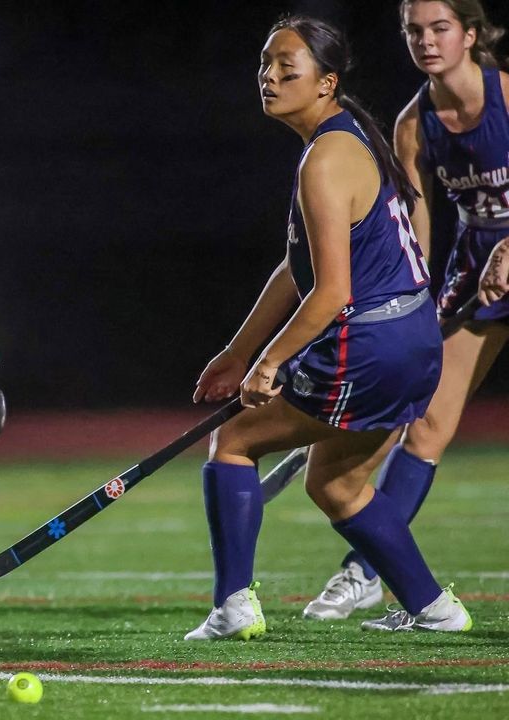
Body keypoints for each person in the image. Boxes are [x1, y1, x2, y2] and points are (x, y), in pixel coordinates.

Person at [188, 16, 471, 640]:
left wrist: (269, 363)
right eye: (265, 65)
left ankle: (233, 608)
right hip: (413, 340)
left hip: (371, 345)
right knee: (338, 485)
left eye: (287, 68)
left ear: (327, 82)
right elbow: (296, 269)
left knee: (233, 441)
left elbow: (331, 293)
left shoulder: (327, 157)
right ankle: (435, 609)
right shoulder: (342, 141)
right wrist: (239, 352)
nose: (269, 77)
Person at [302, 0, 509, 622]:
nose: (426, 41)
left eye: (440, 28)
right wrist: (404, 307)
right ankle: (365, 572)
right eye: (414, 31)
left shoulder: (507, 96)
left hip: (502, 256)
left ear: (470, 34)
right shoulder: (413, 125)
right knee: (425, 428)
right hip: (477, 271)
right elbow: (414, 236)